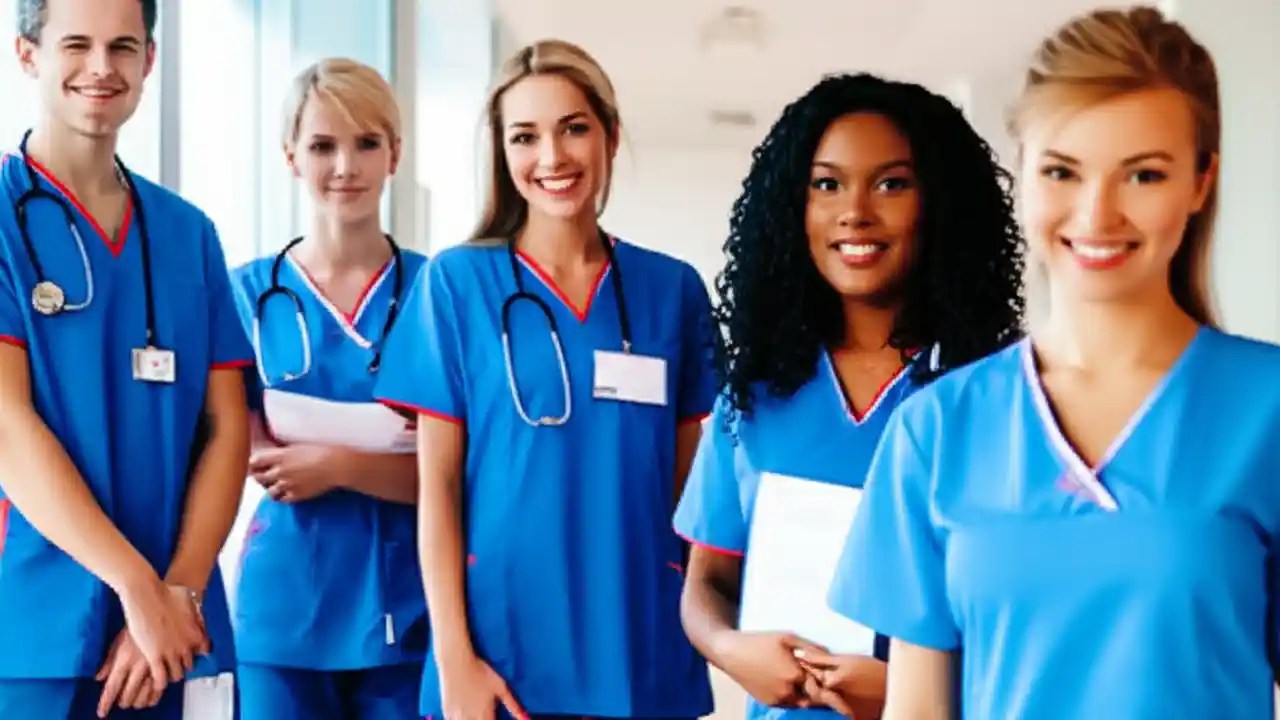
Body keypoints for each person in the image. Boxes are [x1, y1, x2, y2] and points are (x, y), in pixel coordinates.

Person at [828, 6, 1280, 719]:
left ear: (1200, 182)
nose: (1097, 215)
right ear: (1023, 176)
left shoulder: (1267, 409)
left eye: (1144, 175)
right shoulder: (937, 430)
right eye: (1063, 171)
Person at [373, 38, 717, 720]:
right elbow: (436, 491)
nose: (552, 158)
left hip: (637, 644)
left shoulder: (670, 291)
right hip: (501, 653)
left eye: (574, 129)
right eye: (525, 137)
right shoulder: (457, 285)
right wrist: (454, 659)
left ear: (610, 137)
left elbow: (690, 496)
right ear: (503, 154)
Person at [673, 73, 1025, 720]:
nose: (855, 211)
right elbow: (707, 584)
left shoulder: (1000, 399)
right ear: (792, 209)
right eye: (826, 184)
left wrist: (907, 689)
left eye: (892, 183)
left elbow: (1030, 612)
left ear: (940, 204)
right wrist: (730, 649)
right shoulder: (753, 398)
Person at [0, 0, 252, 718]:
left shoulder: (187, 233)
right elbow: (6, 426)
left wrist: (179, 593)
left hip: (181, 630)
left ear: (149, 60)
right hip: (36, 625)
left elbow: (227, 428)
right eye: (76, 44)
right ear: (28, 56)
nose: (102, 67)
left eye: (124, 46)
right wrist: (137, 590)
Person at [227, 58, 428, 719]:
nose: (346, 167)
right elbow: (249, 459)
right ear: (290, 156)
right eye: (322, 146)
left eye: (367, 143)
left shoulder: (437, 294)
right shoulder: (247, 296)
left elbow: (461, 472)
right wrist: (392, 460)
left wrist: (336, 465)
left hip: (405, 605)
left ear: (394, 153)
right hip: (283, 607)